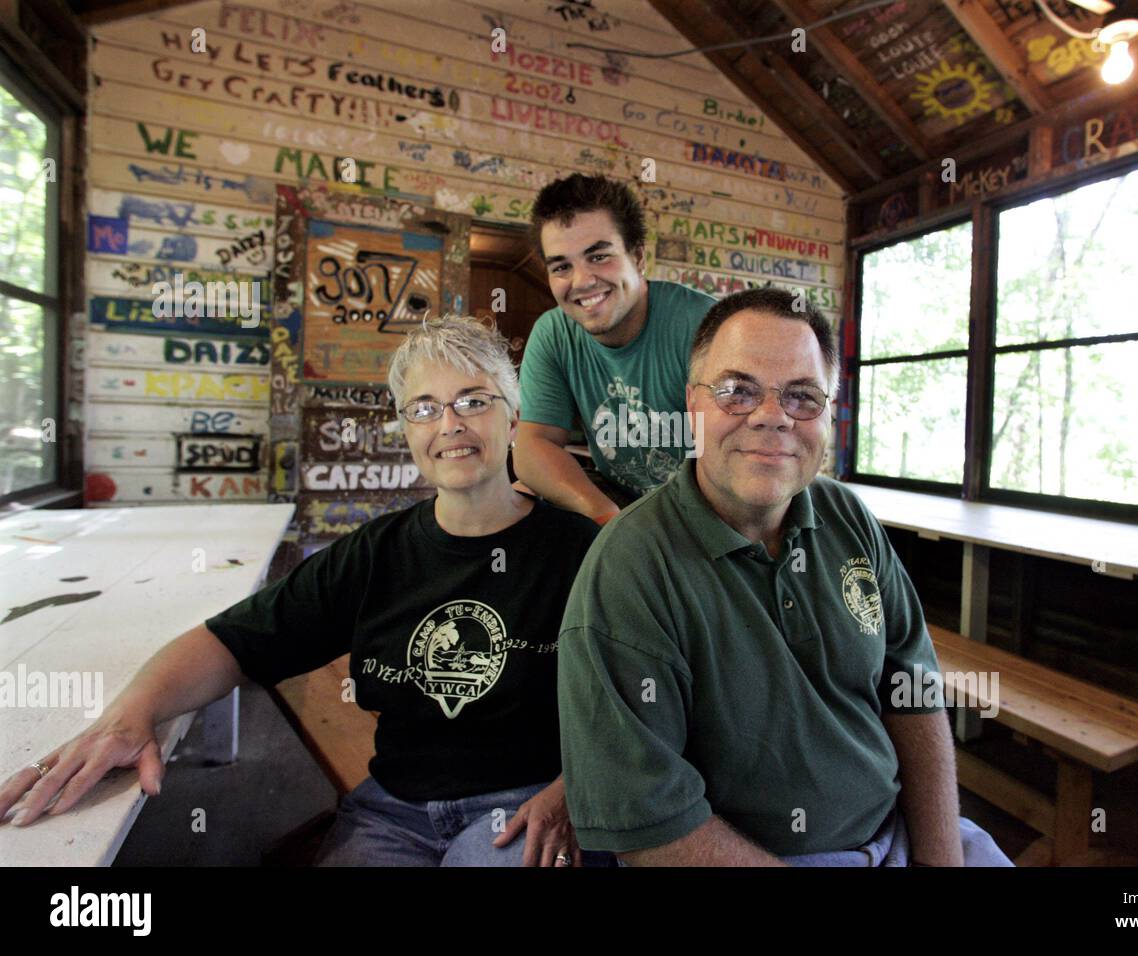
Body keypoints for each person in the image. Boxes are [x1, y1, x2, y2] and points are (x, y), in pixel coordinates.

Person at [1, 315, 608, 868]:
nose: (449, 424)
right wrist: (130, 715)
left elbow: (646, 698)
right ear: (405, 427)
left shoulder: (584, 553)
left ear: (515, 415)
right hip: (394, 808)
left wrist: (573, 791)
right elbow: (234, 641)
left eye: (473, 401)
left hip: (531, 802)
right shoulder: (376, 554)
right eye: (423, 408)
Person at [556, 288, 1015, 867]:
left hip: (898, 830)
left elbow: (914, 688)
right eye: (737, 390)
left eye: (802, 396)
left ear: (828, 413)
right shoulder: (630, 567)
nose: (772, 415)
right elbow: (651, 826)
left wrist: (939, 857)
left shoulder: (849, 517)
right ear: (692, 404)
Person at [513, 173, 715, 524]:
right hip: (624, 504)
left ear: (637, 256)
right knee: (517, 500)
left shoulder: (706, 326)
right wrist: (606, 517)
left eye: (599, 256)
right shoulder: (553, 333)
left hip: (710, 511)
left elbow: (745, 455)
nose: (582, 281)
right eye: (562, 266)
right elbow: (532, 449)